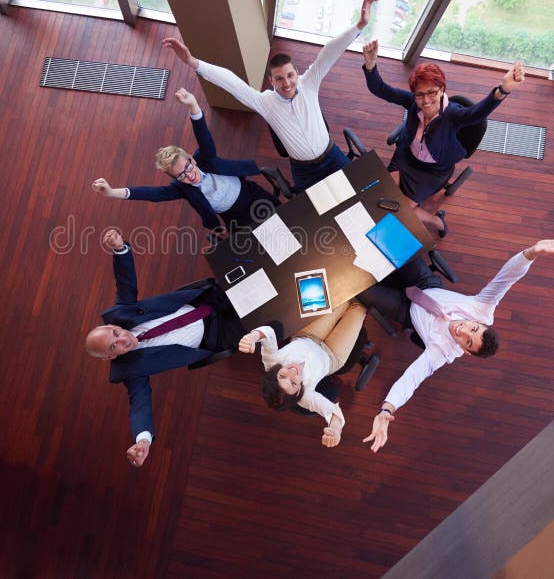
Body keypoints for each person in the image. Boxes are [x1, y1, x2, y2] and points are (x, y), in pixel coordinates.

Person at [358, 232, 554, 453]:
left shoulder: (441, 353)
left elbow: (411, 379)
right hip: (425, 285)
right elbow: (506, 279)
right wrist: (532, 253)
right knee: (390, 236)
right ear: (478, 322)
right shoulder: (482, 308)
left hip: (405, 310)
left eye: (467, 341)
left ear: (465, 351)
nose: (462, 330)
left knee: (358, 288)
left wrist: (386, 410)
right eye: (473, 328)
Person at [162, 0, 379, 192]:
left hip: (332, 157)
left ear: (297, 73)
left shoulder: (309, 83)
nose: (287, 83)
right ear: (271, 81)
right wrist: (192, 62)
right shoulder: (264, 102)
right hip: (304, 172)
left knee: (366, 192)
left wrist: (360, 25)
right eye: (279, 79)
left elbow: (329, 51)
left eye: (290, 75)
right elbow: (231, 82)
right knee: (319, 215)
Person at [85, 228, 244, 468]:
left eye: (116, 333)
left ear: (114, 326)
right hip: (218, 336)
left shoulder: (121, 314)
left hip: (207, 301)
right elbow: (140, 405)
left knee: (258, 277)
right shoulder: (130, 370)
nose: (123, 339)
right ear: (108, 357)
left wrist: (119, 249)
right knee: (266, 316)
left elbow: (125, 281)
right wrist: (143, 439)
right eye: (114, 346)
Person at [361, 40, 525, 237]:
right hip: (406, 158)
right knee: (383, 195)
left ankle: (438, 221)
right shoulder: (412, 102)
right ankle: (431, 218)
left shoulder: (453, 114)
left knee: (400, 210)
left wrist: (503, 89)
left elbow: (477, 114)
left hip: (432, 171)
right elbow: (380, 89)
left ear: (442, 89)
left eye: (432, 93)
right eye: (420, 95)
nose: (426, 100)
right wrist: (370, 65)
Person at [92, 88, 286, 237]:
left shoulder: (205, 158)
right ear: (175, 178)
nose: (189, 175)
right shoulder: (180, 188)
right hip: (233, 217)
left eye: (188, 166)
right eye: (181, 175)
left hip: (251, 195)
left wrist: (192, 104)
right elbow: (151, 194)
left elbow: (202, 134)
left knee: (287, 223)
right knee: (261, 250)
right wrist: (111, 192)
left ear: (192, 159)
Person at [237, 300, 372, 448]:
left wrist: (252, 337)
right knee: (359, 308)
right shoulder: (305, 397)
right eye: (294, 383)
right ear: (298, 392)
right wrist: (335, 429)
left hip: (307, 335)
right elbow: (332, 411)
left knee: (342, 299)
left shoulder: (271, 362)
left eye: (282, 376)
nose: (292, 372)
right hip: (332, 355)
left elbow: (268, 333)